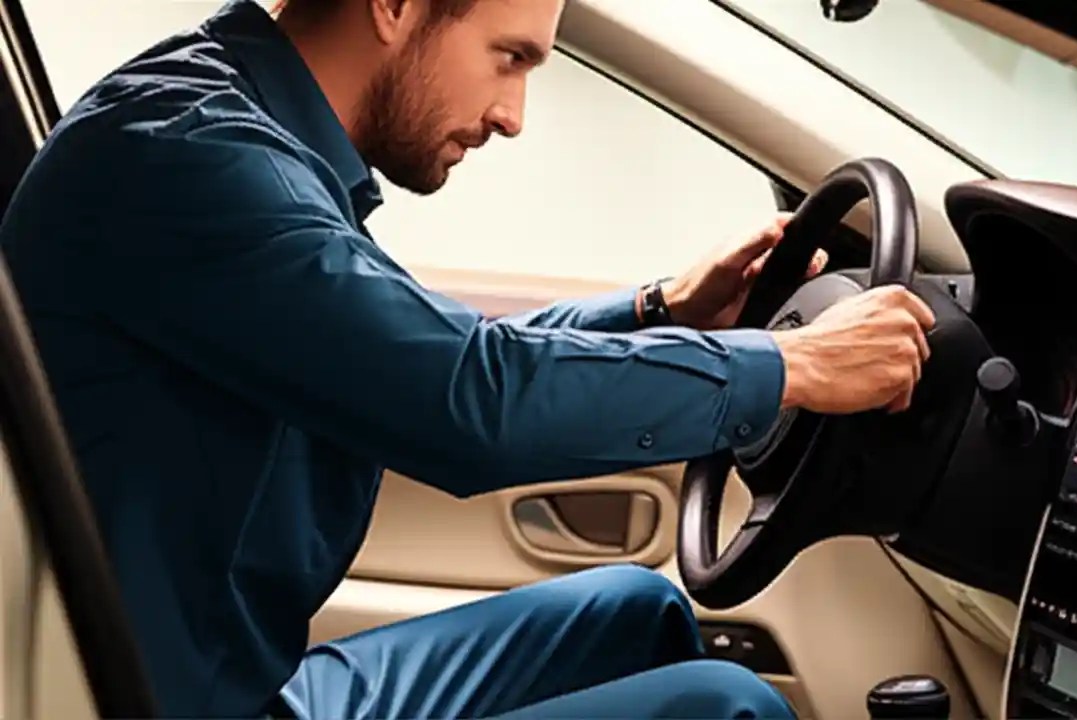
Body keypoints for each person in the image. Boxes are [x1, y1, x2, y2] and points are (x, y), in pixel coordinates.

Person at [0, 0, 936, 717]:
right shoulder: (195, 162)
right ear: (394, 6)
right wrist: (794, 368)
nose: (513, 114)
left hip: (229, 688)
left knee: (634, 608)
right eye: (509, 56)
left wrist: (662, 310)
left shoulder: (237, 133)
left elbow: (432, 354)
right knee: (722, 708)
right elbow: (471, 401)